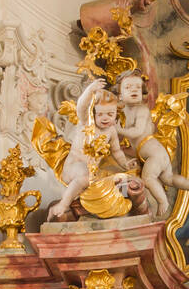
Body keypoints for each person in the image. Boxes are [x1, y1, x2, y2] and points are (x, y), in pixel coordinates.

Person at [115, 71, 189, 217]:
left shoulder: (141, 110)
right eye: (128, 87)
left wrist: (119, 129)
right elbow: (134, 144)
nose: (134, 90)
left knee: (148, 178)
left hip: (154, 152)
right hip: (154, 153)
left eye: (137, 87)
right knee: (168, 179)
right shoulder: (124, 110)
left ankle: (163, 201)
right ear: (120, 95)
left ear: (143, 93)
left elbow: (137, 132)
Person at [47, 82, 135, 220]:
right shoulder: (87, 123)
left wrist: (125, 165)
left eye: (110, 114)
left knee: (122, 178)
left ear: (116, 113)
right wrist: (89, 91)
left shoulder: (111, 131)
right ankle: (63, 204)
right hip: (73, 168)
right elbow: (81, 107)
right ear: (93, 113)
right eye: (100, 114)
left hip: (92, 171)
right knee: (85, 177)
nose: (105, 118)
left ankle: (118, 209)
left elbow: (117, 152)